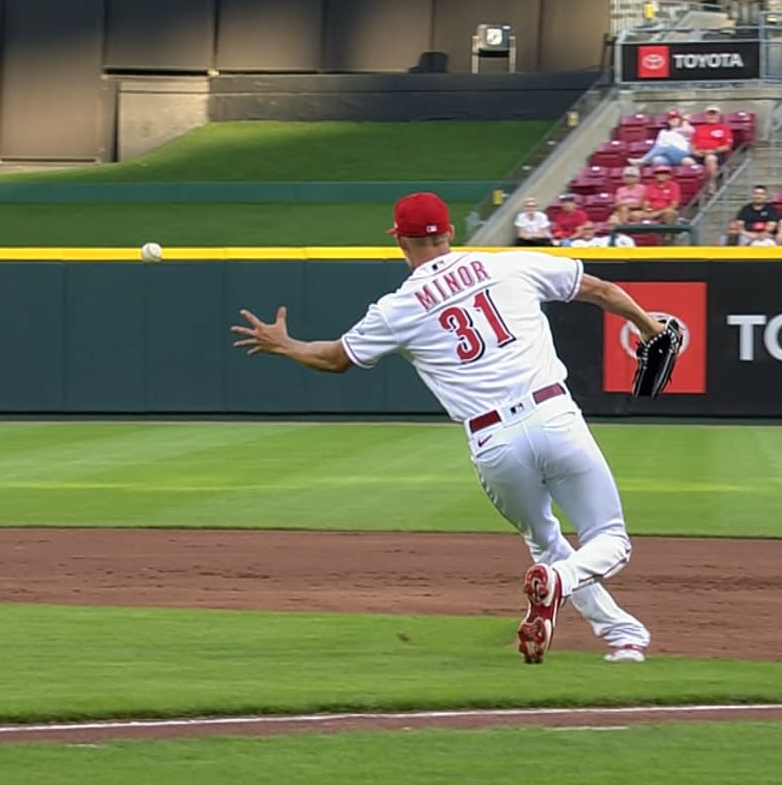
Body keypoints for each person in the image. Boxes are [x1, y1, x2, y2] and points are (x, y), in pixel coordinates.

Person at [231, 192, 662, 665]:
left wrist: (286, 344)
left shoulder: (399, 307)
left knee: (545, 542)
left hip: (492, 441)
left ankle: (621, 634)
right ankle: (568, 589)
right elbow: (599, 289)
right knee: (611, 541)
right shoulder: (507, 266)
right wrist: (646, 327)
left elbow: (335, 359)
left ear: (401, 243)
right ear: (450, 232)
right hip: (554, 415)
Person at [691, 105, 734, 191]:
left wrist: (713, 151)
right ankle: (697, 185)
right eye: (709, 114)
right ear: (705, 116)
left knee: (710, 158)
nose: (712, 116)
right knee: (685, 161)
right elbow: (693, 144)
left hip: (717, 154)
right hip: (700, 154)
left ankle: (712, 183)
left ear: (718, 116)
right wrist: (695, 152)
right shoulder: (699, 129)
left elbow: (727, 146)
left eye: (714, 114)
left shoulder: (724, 129)